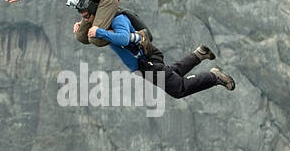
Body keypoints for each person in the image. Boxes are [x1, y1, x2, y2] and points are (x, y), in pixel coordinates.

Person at [87, 7, 236, 98]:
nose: (87, 19)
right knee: (171, 73)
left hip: (145, 62)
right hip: (146, 62)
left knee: (179, 89)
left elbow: (124, 39)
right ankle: (199, 55)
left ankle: (213, 76)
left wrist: (100, 32)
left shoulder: (117, 19)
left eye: (87, 16)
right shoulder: (109, 24)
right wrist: (83, 26)